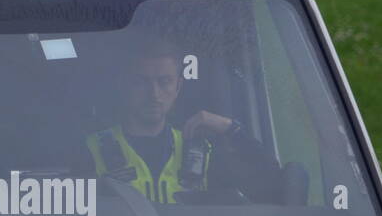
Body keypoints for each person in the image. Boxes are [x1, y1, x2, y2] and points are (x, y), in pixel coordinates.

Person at [80, 40, 268, 204]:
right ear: (125, 86)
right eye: (141, 82)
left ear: (178, 86)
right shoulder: (91, 150)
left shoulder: (202, 151)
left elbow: (270, 180)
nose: (154, 94)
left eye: (164, 82)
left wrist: (230, 128)